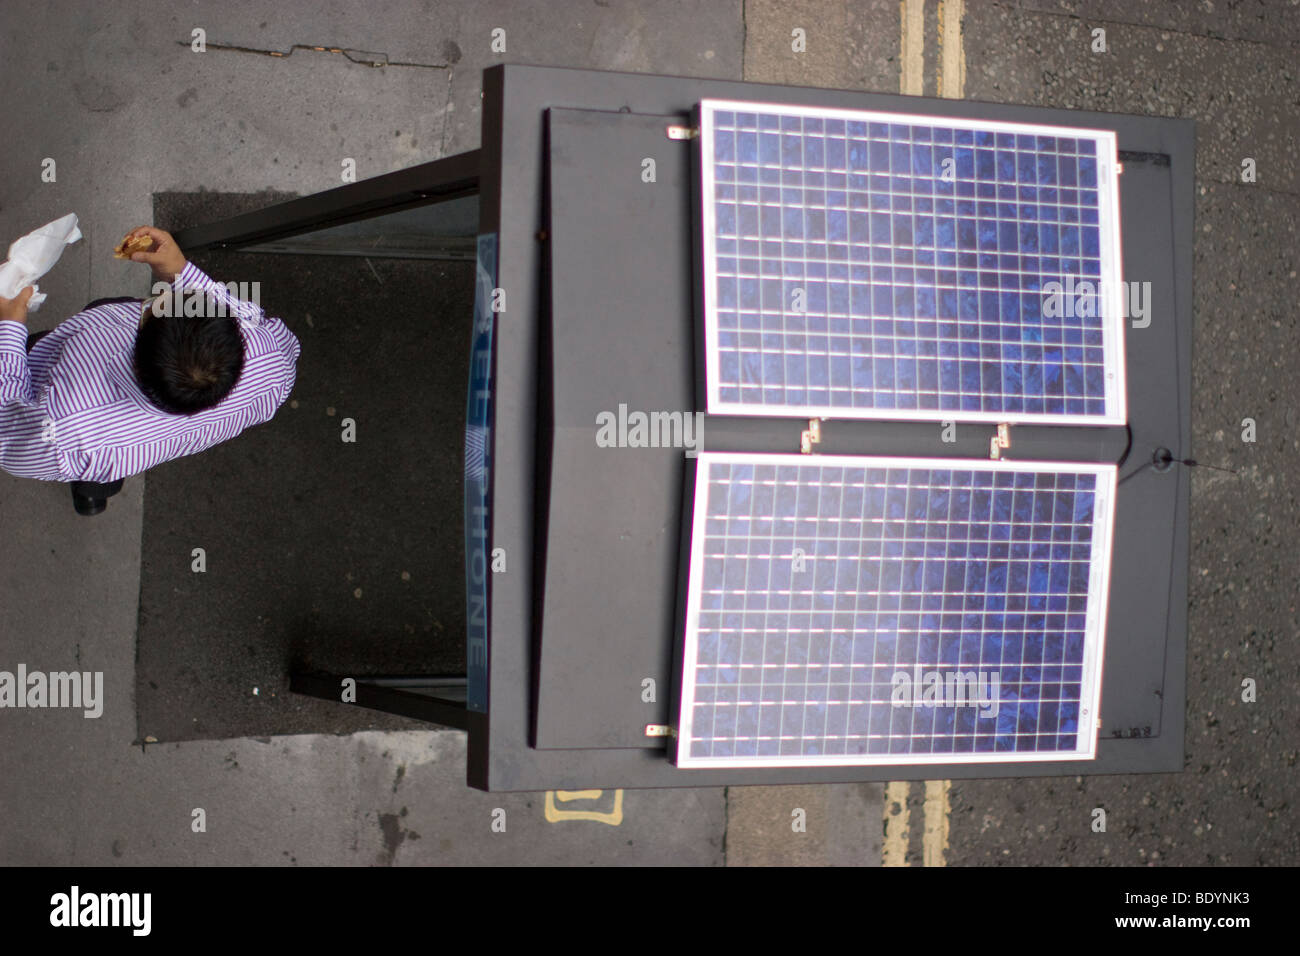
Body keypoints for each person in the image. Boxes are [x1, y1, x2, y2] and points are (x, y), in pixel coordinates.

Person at [0, 226, 301, 515]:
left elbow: (8, 433)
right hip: (128, 447)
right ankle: (93, 495)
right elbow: (239, 312)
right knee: (106, 468)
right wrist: (180, 271)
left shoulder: (63, 431)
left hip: (52, 396)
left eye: (154, 305)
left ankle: (91, 489)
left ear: (135, 357)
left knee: (91, 465)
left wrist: (9, 330)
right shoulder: (270, 358)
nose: (162, 294)